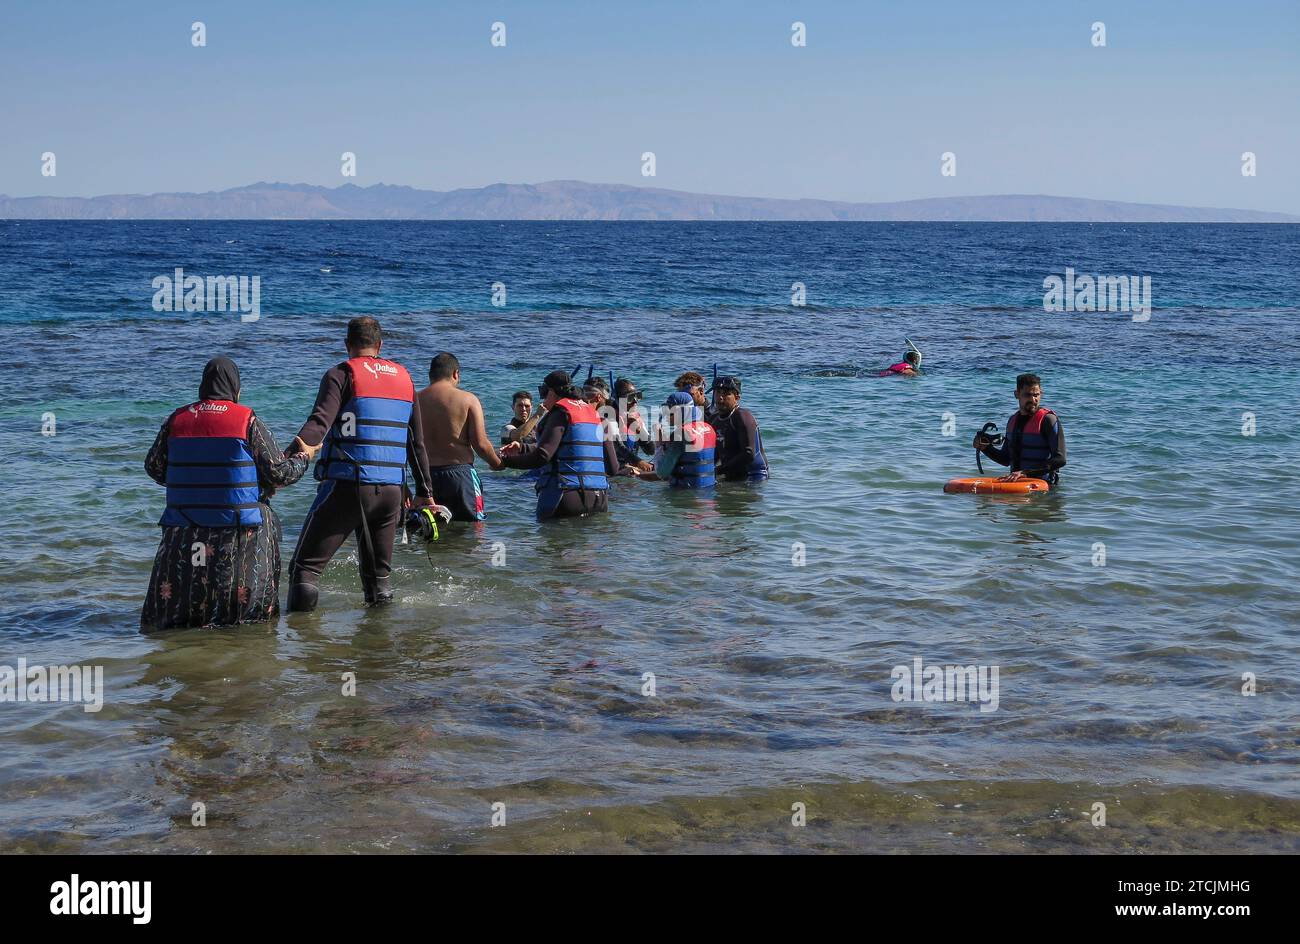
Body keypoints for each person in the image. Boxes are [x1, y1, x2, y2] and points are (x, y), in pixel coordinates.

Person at [141, 357, 308, 632]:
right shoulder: (246, 420)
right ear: (235, 389)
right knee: (263, 517)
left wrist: (197, 482)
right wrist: (303, 457)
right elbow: (279, 473)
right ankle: (246, 624)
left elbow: (155, 467)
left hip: (184, 529)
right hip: (238, 533)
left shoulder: (177, 419)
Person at [286, 317, 441, 611]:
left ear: (347, 345)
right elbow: (416, 443)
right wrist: (426, 492)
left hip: (348, 487)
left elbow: (319, 424)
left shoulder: (341, 374)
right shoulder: (405, 379)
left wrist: (283, 462)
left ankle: (300, 645)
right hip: (392, 494)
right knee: (378, 580)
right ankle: (379, 648)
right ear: (380, 345)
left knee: (305, 570)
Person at [499, 370, 621, 519]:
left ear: (552, 392)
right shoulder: (598, 416)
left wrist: (504, 462)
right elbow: (613, 468)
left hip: (565, 497)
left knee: (553, 542)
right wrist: (523, 447)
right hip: (599, 499)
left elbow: (542, 456)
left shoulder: (560, 412)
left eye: (543, 393)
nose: (543, 399)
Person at [416, 352, 503, 522]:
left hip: (426, 478)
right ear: (456, 373)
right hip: (460, 477)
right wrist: (497, 463)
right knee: (474, 528)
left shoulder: (415, 400)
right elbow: (481, 444)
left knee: (435, 532)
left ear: (430, 375)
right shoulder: (468, 399)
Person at [972, 372, 1066, 484]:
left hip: (1044, 489)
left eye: (1036, 395)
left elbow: (1060, 459)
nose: (1033, 399)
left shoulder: (1048, 420)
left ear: (1041, 393)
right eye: (1028, 395)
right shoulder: (1012, 421)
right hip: (1017, 487)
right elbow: (1006, 459)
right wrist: (985, 448)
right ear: (1017, 394)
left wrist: (1025, 473)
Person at [709, 376, 770, 481]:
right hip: (730, 475)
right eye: (717, 392)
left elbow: (748, 454)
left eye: (726, 394)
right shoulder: (714, 419)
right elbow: (715, 453)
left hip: (753, 476)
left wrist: (719, 470)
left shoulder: (743, 417)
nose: (720, 397)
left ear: (737, 397)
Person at [652, 391, 716, 487]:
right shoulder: (709, 428)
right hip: (709, 489)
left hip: (686, 493)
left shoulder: (680, 434)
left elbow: (661, 473)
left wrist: (659, 444)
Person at [612, 377, 654, 473]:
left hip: (631, 468)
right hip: (614, 470)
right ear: (619, 400)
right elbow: (617, 446)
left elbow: (650, 450)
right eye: (630, 398)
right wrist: (638, 462)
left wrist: (639, 430)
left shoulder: (636, 418)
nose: (636, 401)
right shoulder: (609, 417)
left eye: (638, 396)